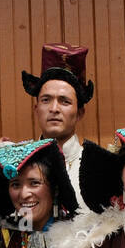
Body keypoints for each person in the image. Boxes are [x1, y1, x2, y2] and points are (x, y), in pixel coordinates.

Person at [22, 42, 94, 207]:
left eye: (64, 101)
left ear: (80, 113)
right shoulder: (19, 163)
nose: (54, 109)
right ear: (36, 109)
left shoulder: (95, 168)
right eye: (46, 100)